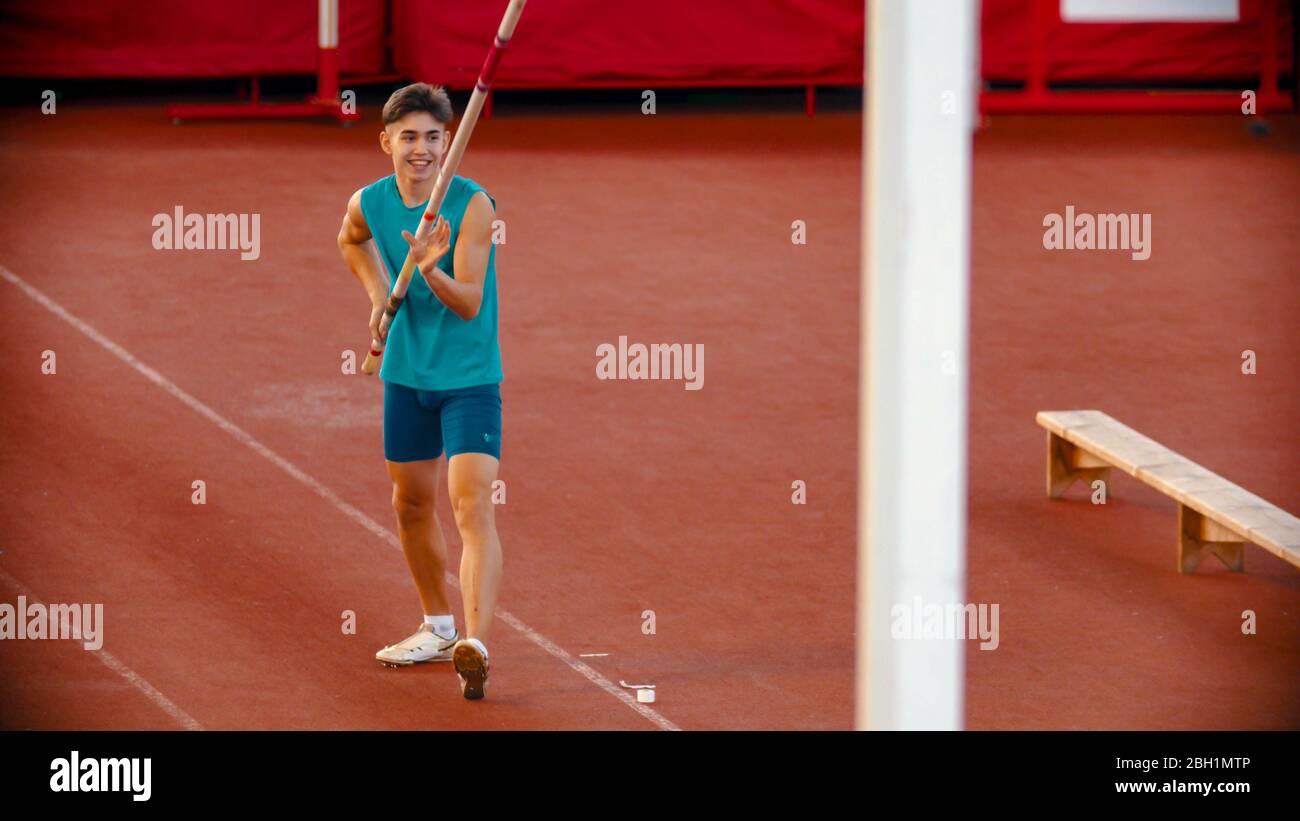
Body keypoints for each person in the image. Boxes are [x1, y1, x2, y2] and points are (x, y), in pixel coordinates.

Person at [336, 83, 503, 700]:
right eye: (409, 137)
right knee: (409, 505)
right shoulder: (371, 202)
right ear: (387, 142)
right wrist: (380, 294)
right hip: (406, 375)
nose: (422, 150)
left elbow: (469, 304)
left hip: (469, 381)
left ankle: (475, 645)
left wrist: (431, 266)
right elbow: (349, 239)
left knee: (469, 504)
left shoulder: (473, 205)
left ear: (448, 141)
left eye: (434, 137)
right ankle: (438, 627)